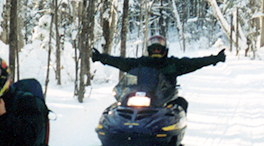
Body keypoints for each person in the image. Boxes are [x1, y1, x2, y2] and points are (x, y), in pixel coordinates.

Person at [92, 35, 225, 111]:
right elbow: (121, 62)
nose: (156, 51)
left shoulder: (172, 64)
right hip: (142, 96)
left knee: (180, 105)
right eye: (153, 49)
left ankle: (172, 141)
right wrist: (101, 58)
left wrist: (215, 59)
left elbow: (195, 62)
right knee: (116, 110)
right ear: (149, 50)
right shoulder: (141, 62)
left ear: (164, 50)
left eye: (159, 49)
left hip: (163, 100)